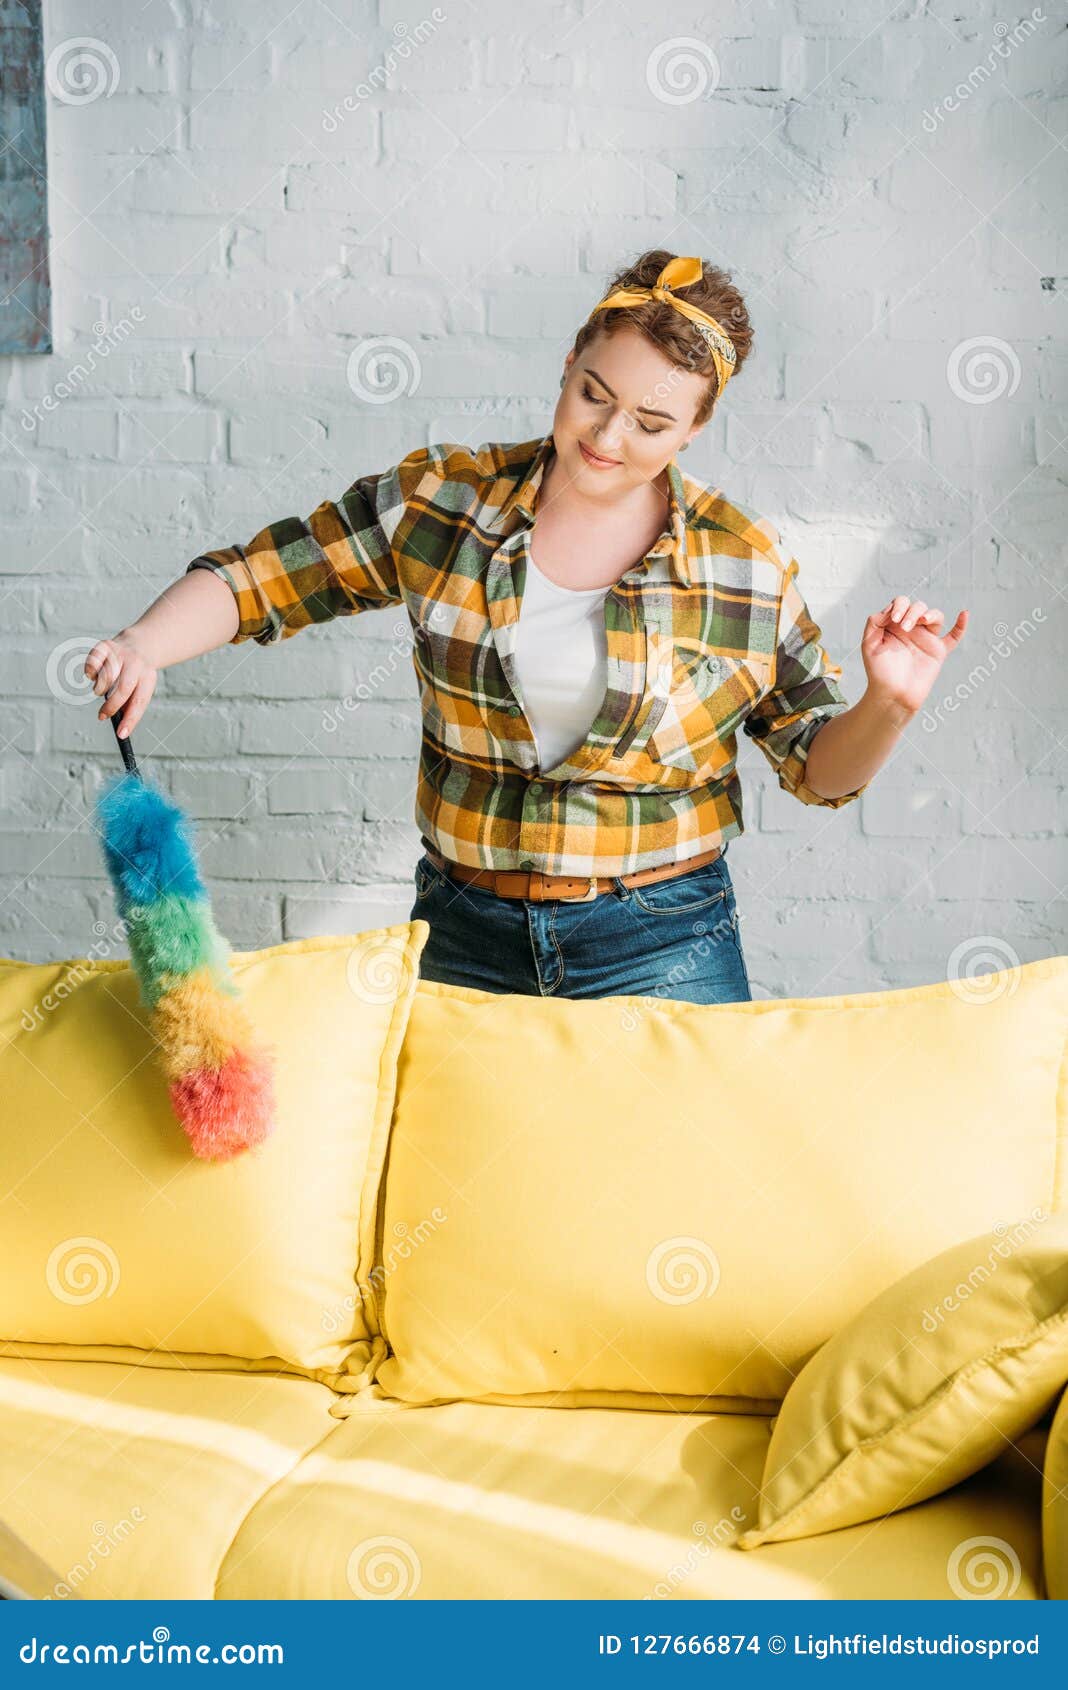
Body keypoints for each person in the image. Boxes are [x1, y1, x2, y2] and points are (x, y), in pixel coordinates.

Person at [83, 249, 968, 1006]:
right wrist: (144, 645)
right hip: (465, 931)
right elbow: (261, 581)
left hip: (663, 944)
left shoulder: (743, 567)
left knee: (687, 1200)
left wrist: (890, 702)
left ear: (695, 428)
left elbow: (818, 770)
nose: (609, 435)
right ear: (569, 361)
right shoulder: (443, 502)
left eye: (652, 422)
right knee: (454, 1196)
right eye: (594, 394)